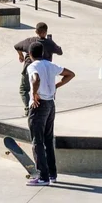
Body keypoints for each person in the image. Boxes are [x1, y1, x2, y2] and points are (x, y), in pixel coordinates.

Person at [25, 42, 75, 186]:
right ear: (43, 53)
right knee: (48, 140)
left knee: (37, 141)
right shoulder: (50, 65)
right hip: (50, 105)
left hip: (38, 106)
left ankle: (42, 177)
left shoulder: (32, 66)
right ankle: (52, 174)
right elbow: (70, 74)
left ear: (30, 54)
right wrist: (56, 86)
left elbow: (36, 79)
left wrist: (34, 93)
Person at [14, 23, 63, 115]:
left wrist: (20, 55)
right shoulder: (49, 43)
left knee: (24, 89)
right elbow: (60, 52)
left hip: (29, 69)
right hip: (45, 70)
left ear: (36, 31)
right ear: (46, 32)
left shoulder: (30, 41)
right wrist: (52, 45)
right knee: (45, 89)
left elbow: (17, 46)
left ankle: (28, 108)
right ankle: (43, 106)